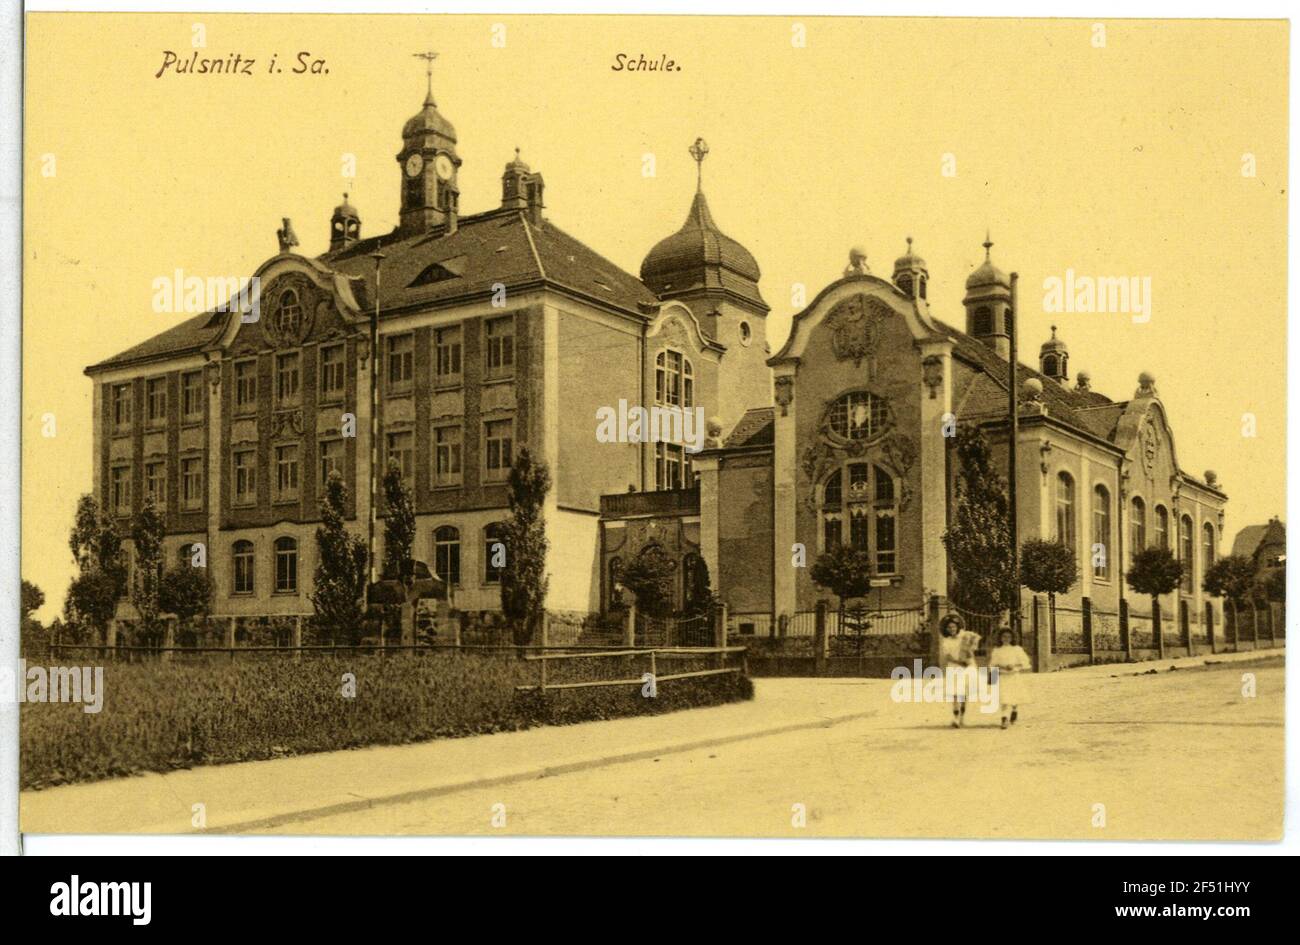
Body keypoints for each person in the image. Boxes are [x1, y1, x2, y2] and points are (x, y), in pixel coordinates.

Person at [938, 614, 980, 727]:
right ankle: (956, 717)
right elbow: (948, 656)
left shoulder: (964, 637)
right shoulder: (946, 641)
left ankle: (962, 717)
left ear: (957, 627)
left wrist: (970, 650)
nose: (952, 629)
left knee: (964, 693)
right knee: (955, 693)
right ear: (946, 629)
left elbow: (972, 647)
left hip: (966, 667)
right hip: (954, 667)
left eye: (953, 627)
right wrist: (959, 662)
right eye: (949, 628)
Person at [988, 627, 1032, 728]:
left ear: (1012, 638)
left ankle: (1014, 710)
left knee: (1014, 696)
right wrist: (1001, 666)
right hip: (1003, 676)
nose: (1006, 638)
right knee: (1004, 698)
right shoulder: (997, 650)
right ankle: (1004, 719)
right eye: (1004, 636)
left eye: (1009, 637)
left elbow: (1025, 663)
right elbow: (992, 665)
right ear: (1000, 638)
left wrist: (1014, 666)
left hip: (1014, 676)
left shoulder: (1017, 649)